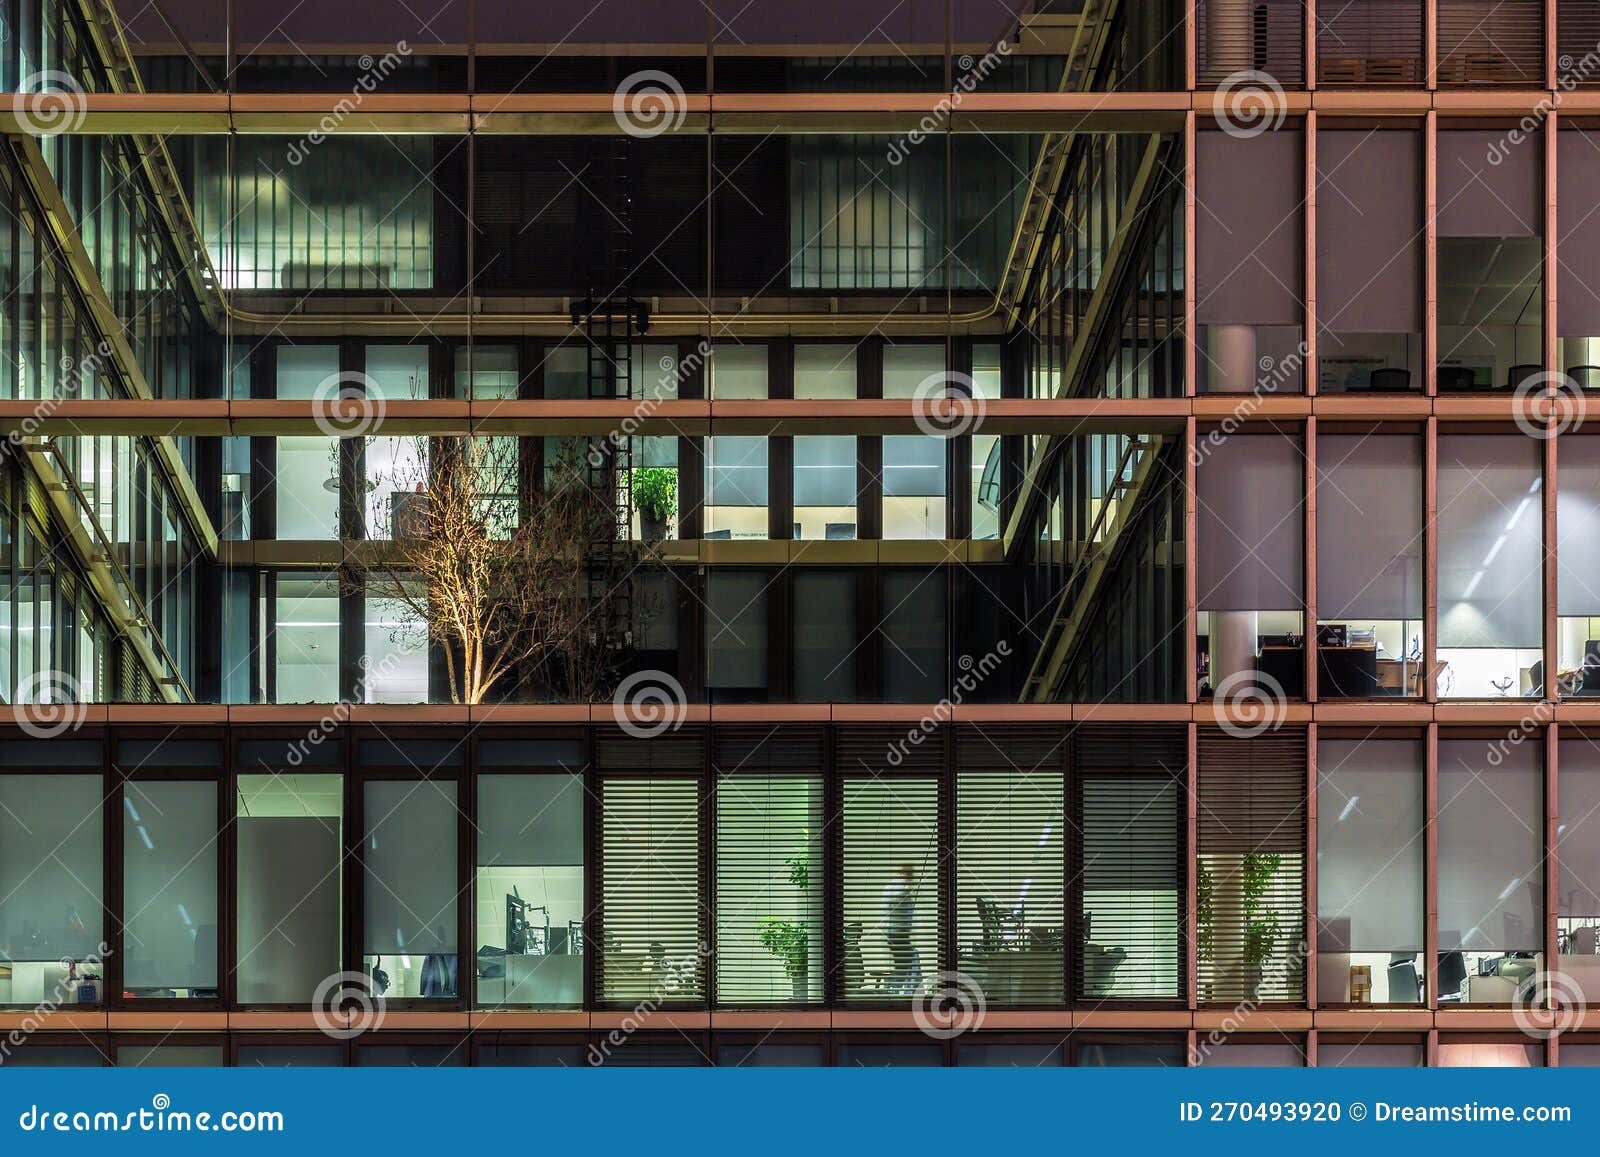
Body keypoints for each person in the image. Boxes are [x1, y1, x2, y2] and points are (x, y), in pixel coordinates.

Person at [881, 864, 921, 994]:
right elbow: (893, 902)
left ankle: (906, 991)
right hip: (896, 934)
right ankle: (895, 991)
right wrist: (905, 892)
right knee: (905, 965)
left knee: (910, 960)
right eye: (909, 874)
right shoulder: (897, 886)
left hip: (899, 934)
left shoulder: (900, 886)